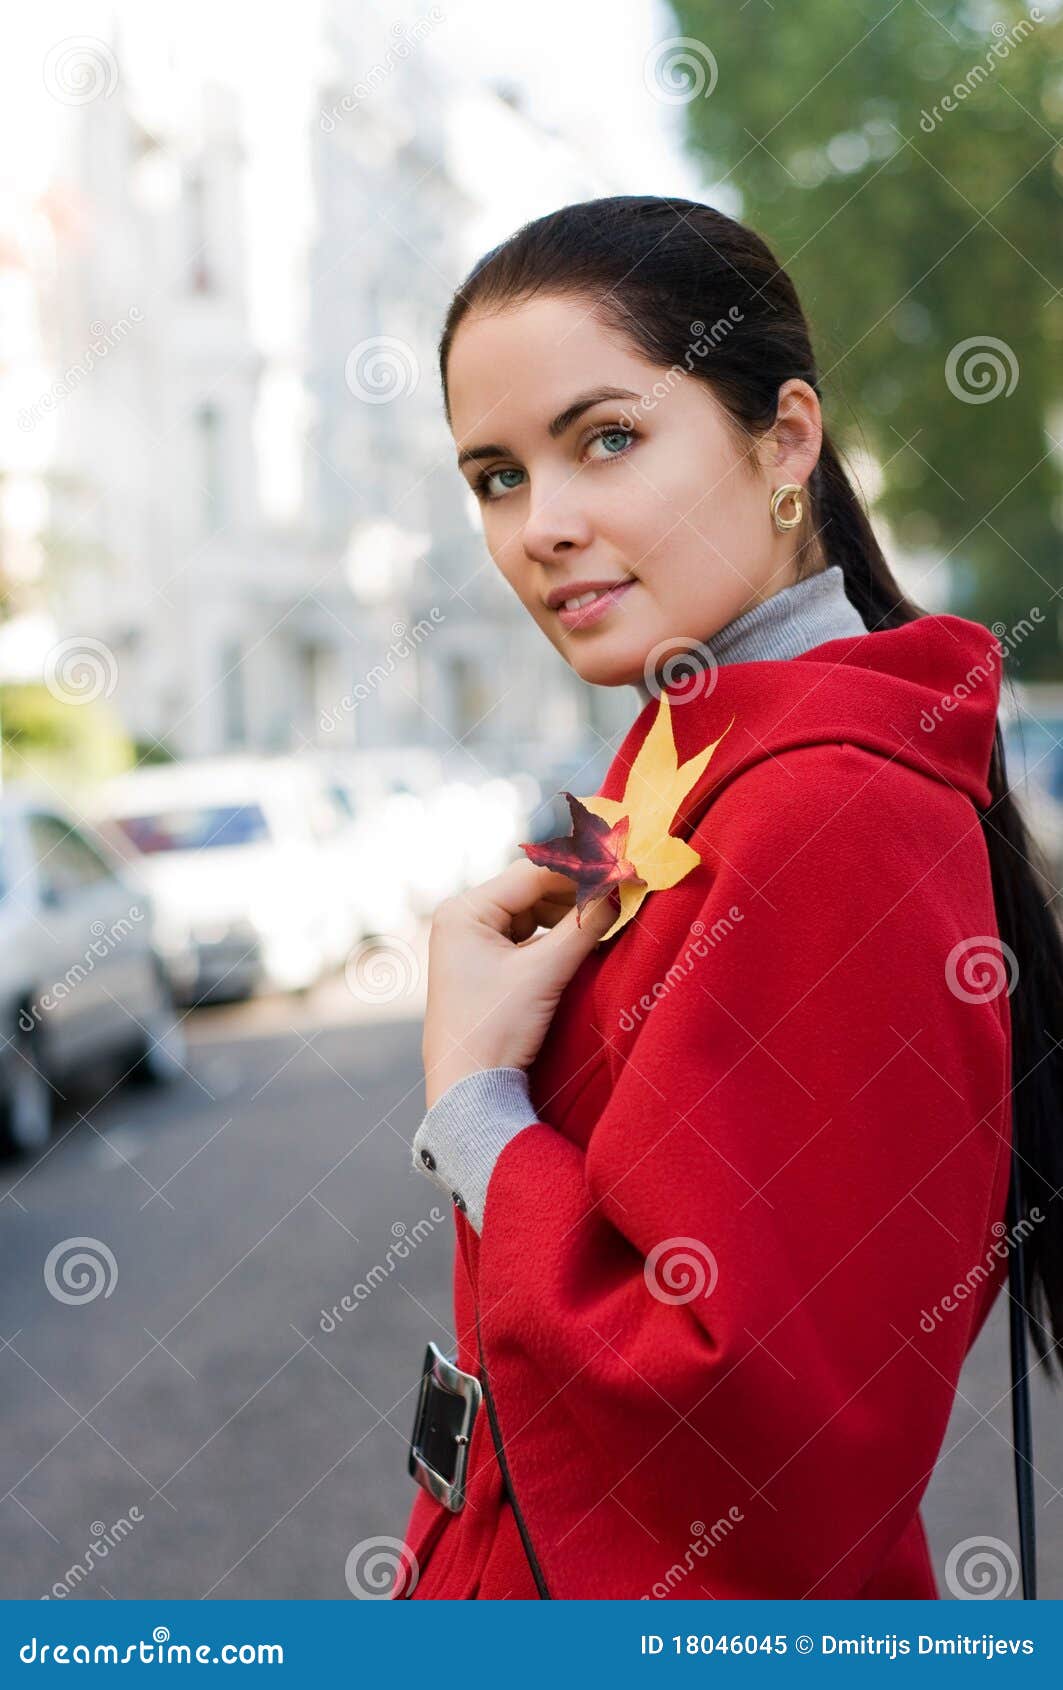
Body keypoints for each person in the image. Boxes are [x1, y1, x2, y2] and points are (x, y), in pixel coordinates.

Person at [388, 195, 1063, 1601]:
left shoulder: (834, 805)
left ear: (788, 441)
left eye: (607, 438)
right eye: (496, 476)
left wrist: (469, 1105)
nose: (542, 526)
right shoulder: (672, 746)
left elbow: (762, 1433)